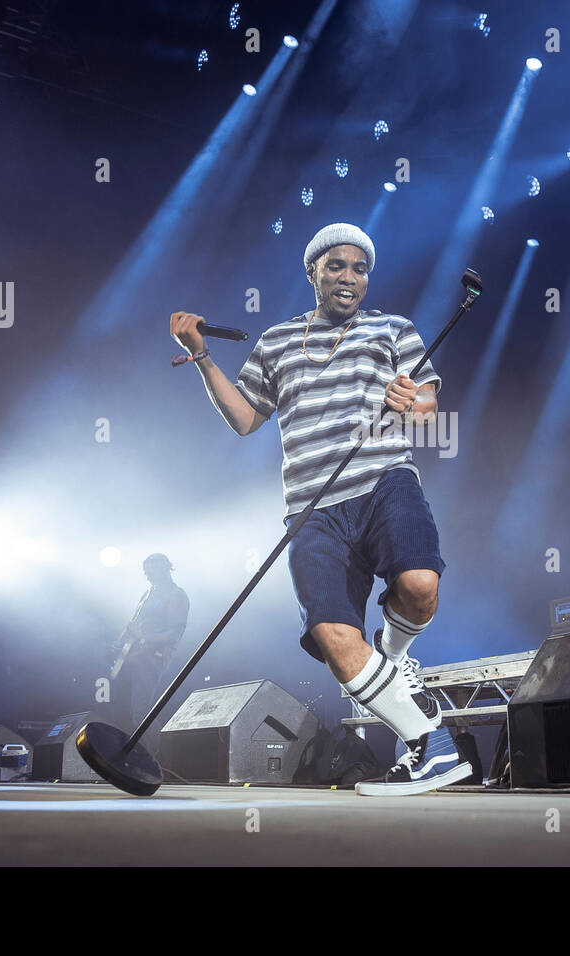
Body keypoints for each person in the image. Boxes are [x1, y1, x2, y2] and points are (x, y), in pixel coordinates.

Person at [170, 222, 470, 795]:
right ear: (313, 272)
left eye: (360, 269)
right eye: (336, 266)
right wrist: (204, 356)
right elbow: (244, 419)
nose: (349, 278)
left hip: (384, 480)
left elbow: (427, 401)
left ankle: (394, 655)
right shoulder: (277, 342)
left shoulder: (392, 329)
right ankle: (429, 746)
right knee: (333, 637)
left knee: (420, 584)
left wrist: (414, 402)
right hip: (312, 507)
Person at [113, 553, 189, 755]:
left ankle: (160, 759)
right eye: (145, 572)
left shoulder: (176, 595)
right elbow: (134, 625)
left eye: (151, 571)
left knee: (142, 710)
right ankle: (138, 754)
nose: (147, 576)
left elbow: (174, 634)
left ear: (165, 568)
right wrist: (119, 643)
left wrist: (146, 639)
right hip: (133, 656)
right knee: (130, 711)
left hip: (151, 657)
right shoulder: (147, 594)